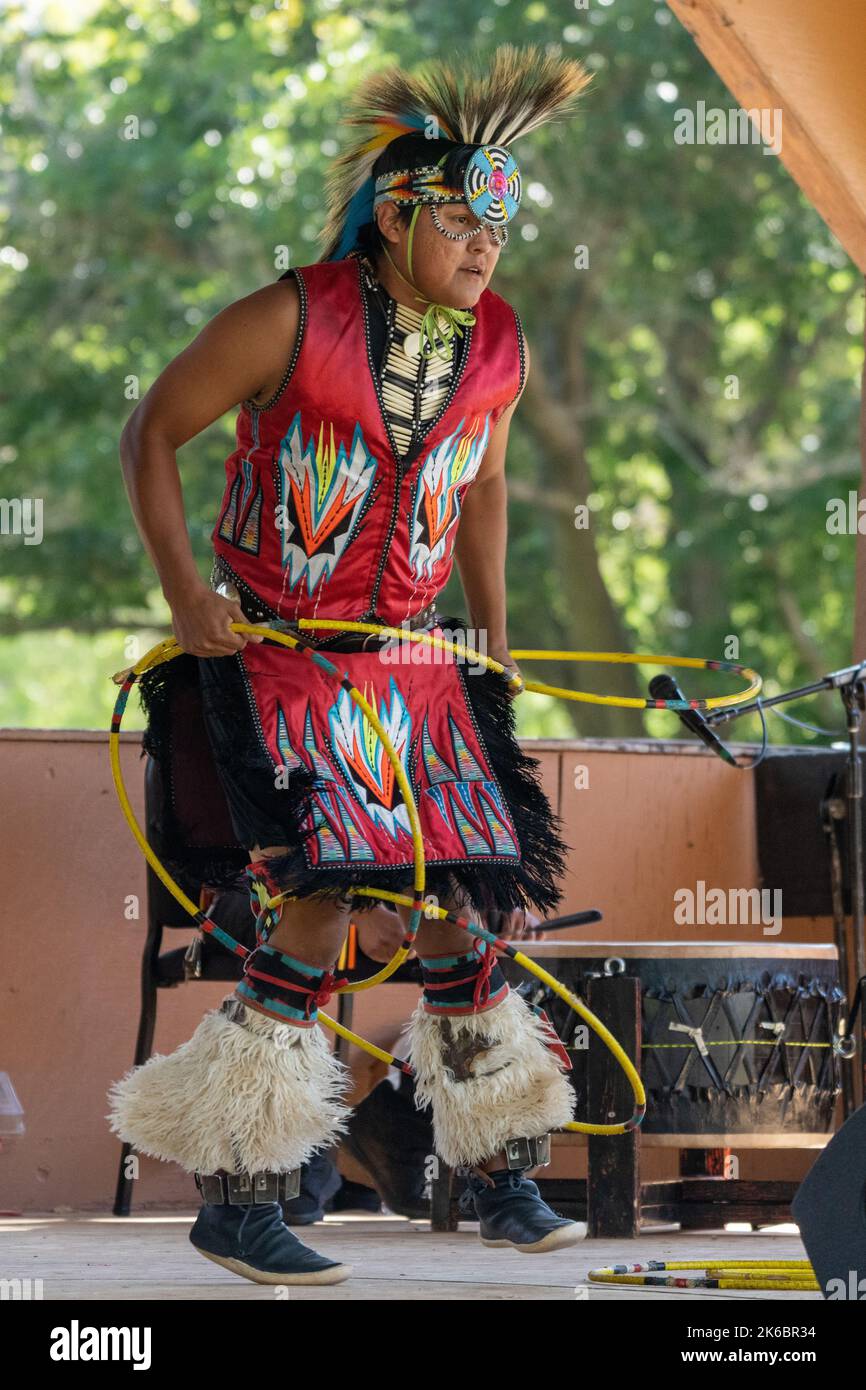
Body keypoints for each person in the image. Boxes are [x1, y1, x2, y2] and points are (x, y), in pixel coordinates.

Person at [107, 43, 593, 1286]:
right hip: (277, 660)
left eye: (501, 223)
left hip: (416, 670)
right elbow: (149, 429)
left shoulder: (494, 344)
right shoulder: (293, 314)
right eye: (460, 220)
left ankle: (499, 1176)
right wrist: (186, 593)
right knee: (317, 907)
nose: (486, 245)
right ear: (395, 214)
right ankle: (239, 1194)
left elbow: (477, 491)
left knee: (457, 901)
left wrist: (493, 635)